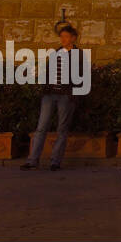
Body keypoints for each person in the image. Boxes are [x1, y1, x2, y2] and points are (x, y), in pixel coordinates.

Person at [21, 24, 81, 171]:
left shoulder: (78, 55)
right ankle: (33, 160)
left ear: (73, 38)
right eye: (61, 37)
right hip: (50, 94)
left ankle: (55, 161)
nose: (63, 39)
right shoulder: (56, 52)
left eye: (66, 36)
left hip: (65, 96)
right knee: (41, 127)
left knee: (62, 128)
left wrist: (74, 96)